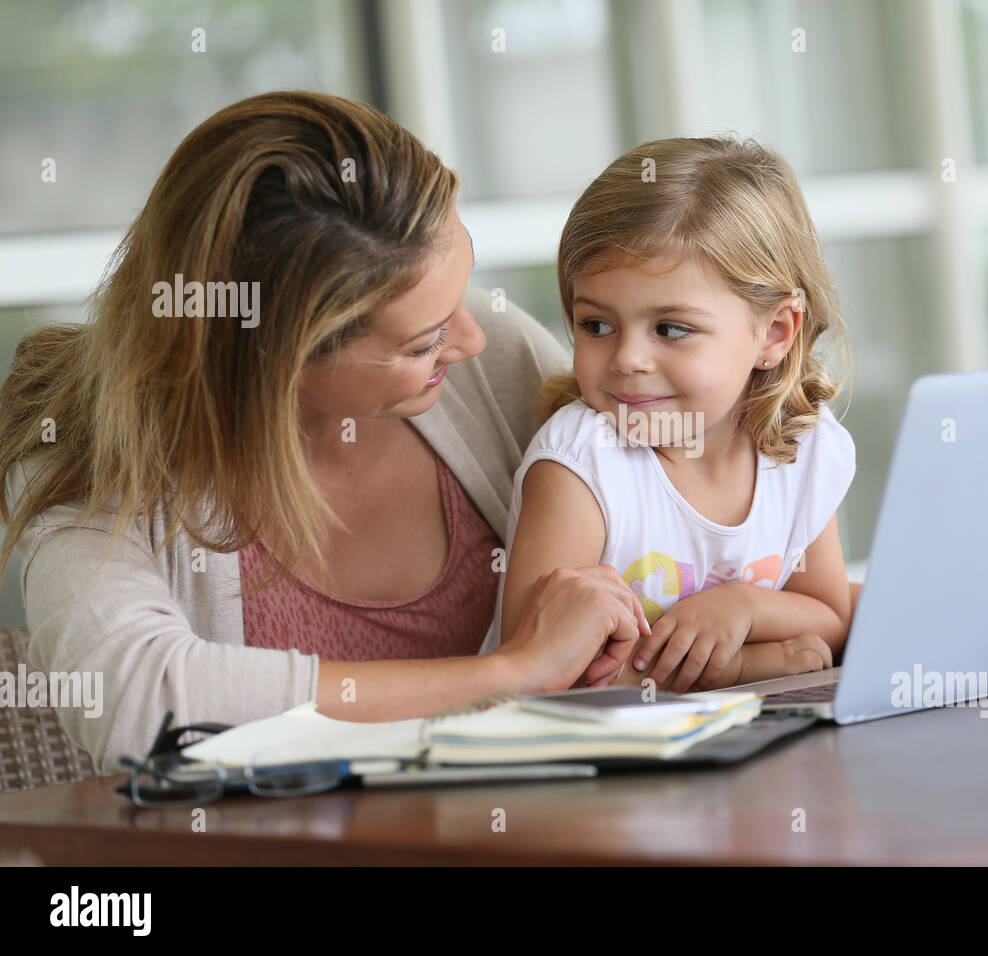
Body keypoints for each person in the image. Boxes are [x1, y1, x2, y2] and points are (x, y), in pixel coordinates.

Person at [0, 90, 650, 775]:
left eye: (463, 293)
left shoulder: (496, 367)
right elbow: (137, 701)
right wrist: (511, 673)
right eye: (424, 342)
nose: (473, 337)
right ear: (279, 360)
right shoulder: (82, 443)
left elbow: (690, 525)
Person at [488, 136, 856, 694]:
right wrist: (744, 665)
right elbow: (544, 672)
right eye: (596, 325)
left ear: (774, 333)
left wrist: (741, 609)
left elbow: (828, 619)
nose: (628, 360)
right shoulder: (579, 467)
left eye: (670, 329)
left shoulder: (802, 444)